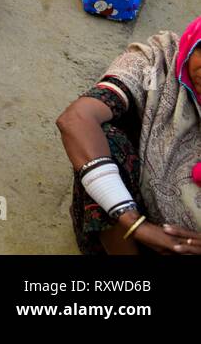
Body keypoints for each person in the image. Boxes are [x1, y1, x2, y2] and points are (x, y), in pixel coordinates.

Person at [56, 17, 201, 255]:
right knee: (102, 142)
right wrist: (134, 223)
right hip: (129, 231)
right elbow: (76, 120)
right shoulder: (157, 63)